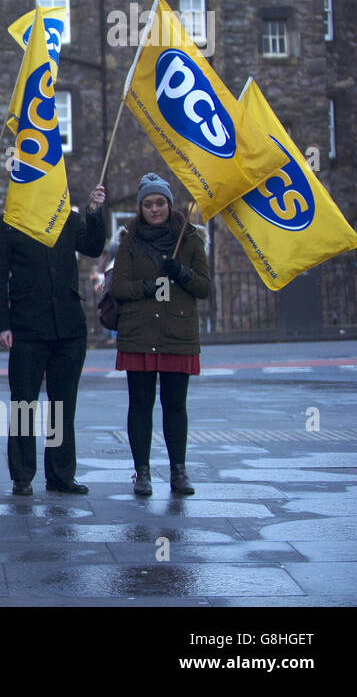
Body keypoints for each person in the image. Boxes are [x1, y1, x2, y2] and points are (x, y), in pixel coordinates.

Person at [0, 184, 107, 496]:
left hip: (68, 327)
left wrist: (95, 213)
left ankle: (60, 474)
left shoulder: (67, 219)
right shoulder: (7, 224)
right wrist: (1, 324)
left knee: (62, 405)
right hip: (27, 326)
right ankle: (23, 475)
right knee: (24, 404)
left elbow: (94, 247)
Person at [111, 173, 210, 496]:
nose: (155, 209)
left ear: (170, 204)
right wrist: (148, 287)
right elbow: (119, 287)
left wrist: (181, 272)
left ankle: (178, 471)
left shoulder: (191, 238)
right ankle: (142, 473)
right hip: (139, 332)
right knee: (140, 404)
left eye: (160, 203)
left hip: (176, 332)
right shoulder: (129, 239)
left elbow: (205, 287)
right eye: (148, 204)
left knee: (174, 404)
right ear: (141, 208)